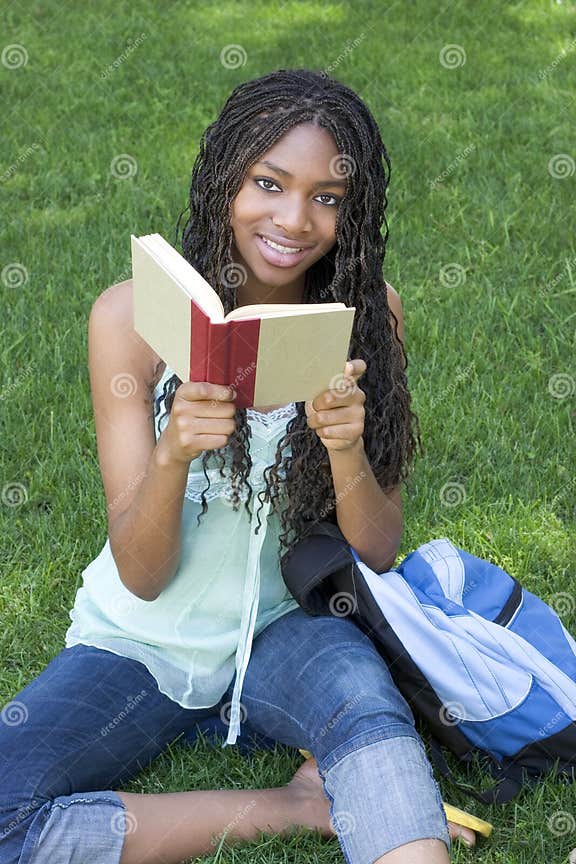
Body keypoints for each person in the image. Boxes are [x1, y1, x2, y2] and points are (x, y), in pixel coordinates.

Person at [0, 68, 477, 864]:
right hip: (142, 643)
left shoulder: (368, 315)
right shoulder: (128, 320)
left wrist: (345, 448)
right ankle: (292, 805)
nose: (294, 220)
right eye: (269, 183)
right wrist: (173, 454)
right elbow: (142, 574)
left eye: (327, 197)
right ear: (226, 177)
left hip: (290, 625)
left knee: (370, 714)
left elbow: (378, 547)